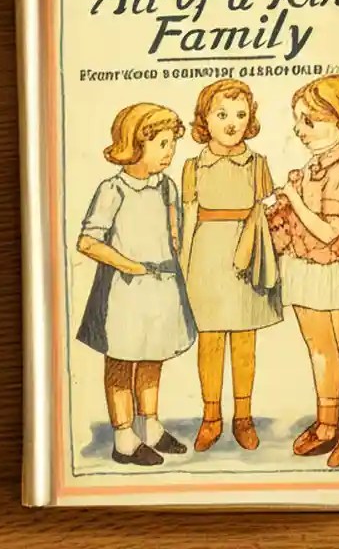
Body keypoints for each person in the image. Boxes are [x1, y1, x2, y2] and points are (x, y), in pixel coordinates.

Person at [268, 75, 339, 468]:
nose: (300, 131)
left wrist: (293, 199)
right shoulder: (312, 167)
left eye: (310, 122)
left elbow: (331, 231)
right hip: (306, 267)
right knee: (318, 348)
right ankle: (325, 424)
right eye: (299, 121)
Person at [76, 103, 197, 466]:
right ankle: (123, 436)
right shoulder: (114, 189)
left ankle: (150, 427)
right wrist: (130, 266)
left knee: (152, 357)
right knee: (121, 361)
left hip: (161, 287)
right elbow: (88, 241)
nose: (170, 152)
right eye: (162, 144)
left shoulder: (167, 187)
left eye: (172, 144)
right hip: (123, 289)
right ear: (136, 143)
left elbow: (173, 233)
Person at [180, 80, 281, 452]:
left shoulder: (259, 164)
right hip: (206, 257)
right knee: (208, 342)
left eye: (240, 115)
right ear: (205, 119)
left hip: (247, 253)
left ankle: (243, 417)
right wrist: (183, 269)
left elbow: (270, 215)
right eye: (222, 114)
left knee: (243, 343)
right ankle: (210, 418)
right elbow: (188, 219)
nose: (232, 122)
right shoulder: (192, 166)